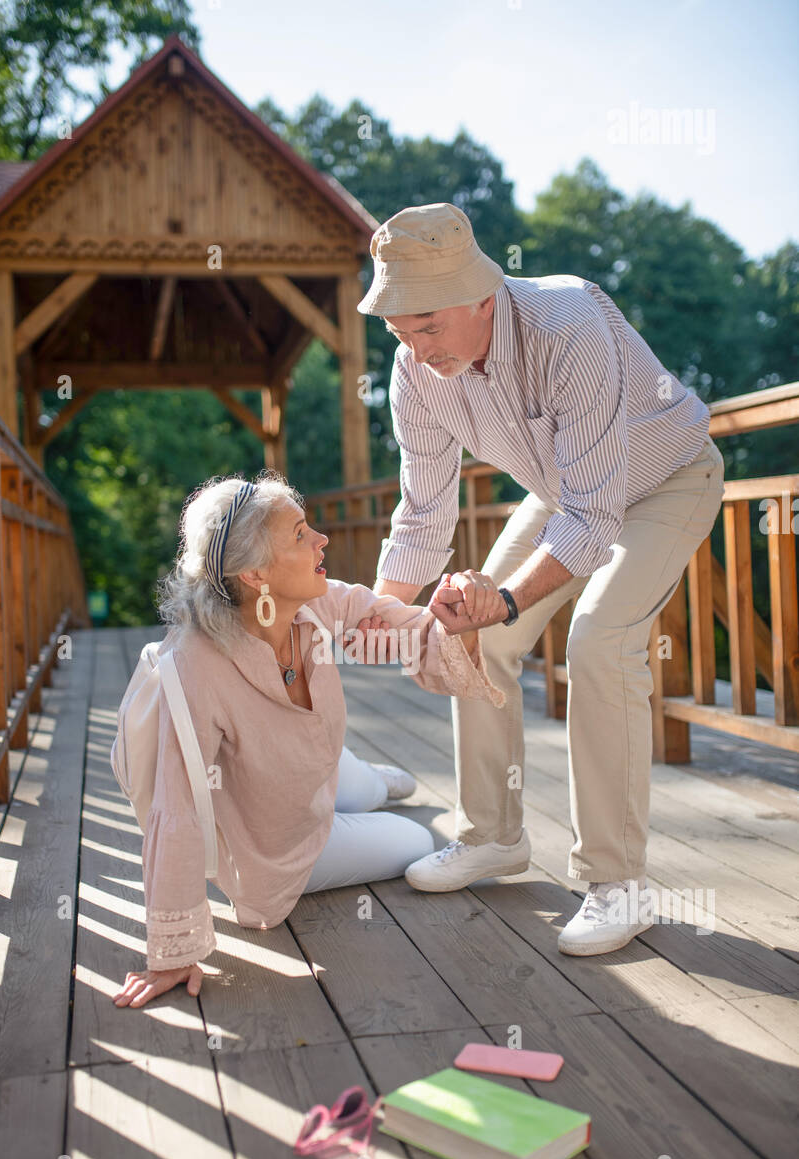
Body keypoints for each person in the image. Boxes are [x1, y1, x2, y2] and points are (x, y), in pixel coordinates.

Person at [357, 202, 725, 956]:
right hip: (567, 495)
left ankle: (617, 884)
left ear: (482, 296)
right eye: (400, 331)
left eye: (428, 326)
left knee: (597, 643)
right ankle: (492, 836)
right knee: (472, 641)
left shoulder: (569, 324)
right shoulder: (412, 371)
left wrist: (506, 598)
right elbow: (425, 511)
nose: (418, 349)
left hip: (668, 480)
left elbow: (594, 520)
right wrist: (372, 613)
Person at [113, 470, 505, 1009]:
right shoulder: (196, 667)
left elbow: (406, 633)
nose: (321, 540)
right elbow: (174, 805)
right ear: (254, 574)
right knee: (414, 842)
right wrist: (173, 952)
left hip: (312, 762)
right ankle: (365, 791)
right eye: (300, 535)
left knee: (367, 787)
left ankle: (367, 785)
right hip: (273, 832)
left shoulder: (319, 604)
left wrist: (444, 618)